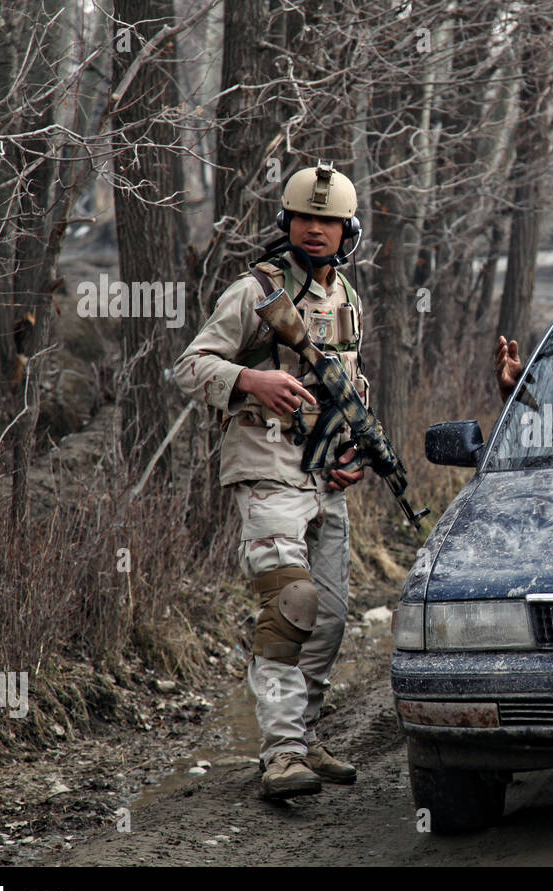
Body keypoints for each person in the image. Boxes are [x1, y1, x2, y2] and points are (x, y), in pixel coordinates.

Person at [174, 162, 368, 799]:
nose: (316, 230)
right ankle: (281, 752)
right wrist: (250, 380)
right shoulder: (253, 292)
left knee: (333, 617)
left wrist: (353, 454)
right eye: (306, 218)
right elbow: (189, 365)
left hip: (325, 479)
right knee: (292, 606)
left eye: (329, 221)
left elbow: (349, 391)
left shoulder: (346, 299)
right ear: (288, 223)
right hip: (266, 468)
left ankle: (304, 736)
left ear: (347, 232)